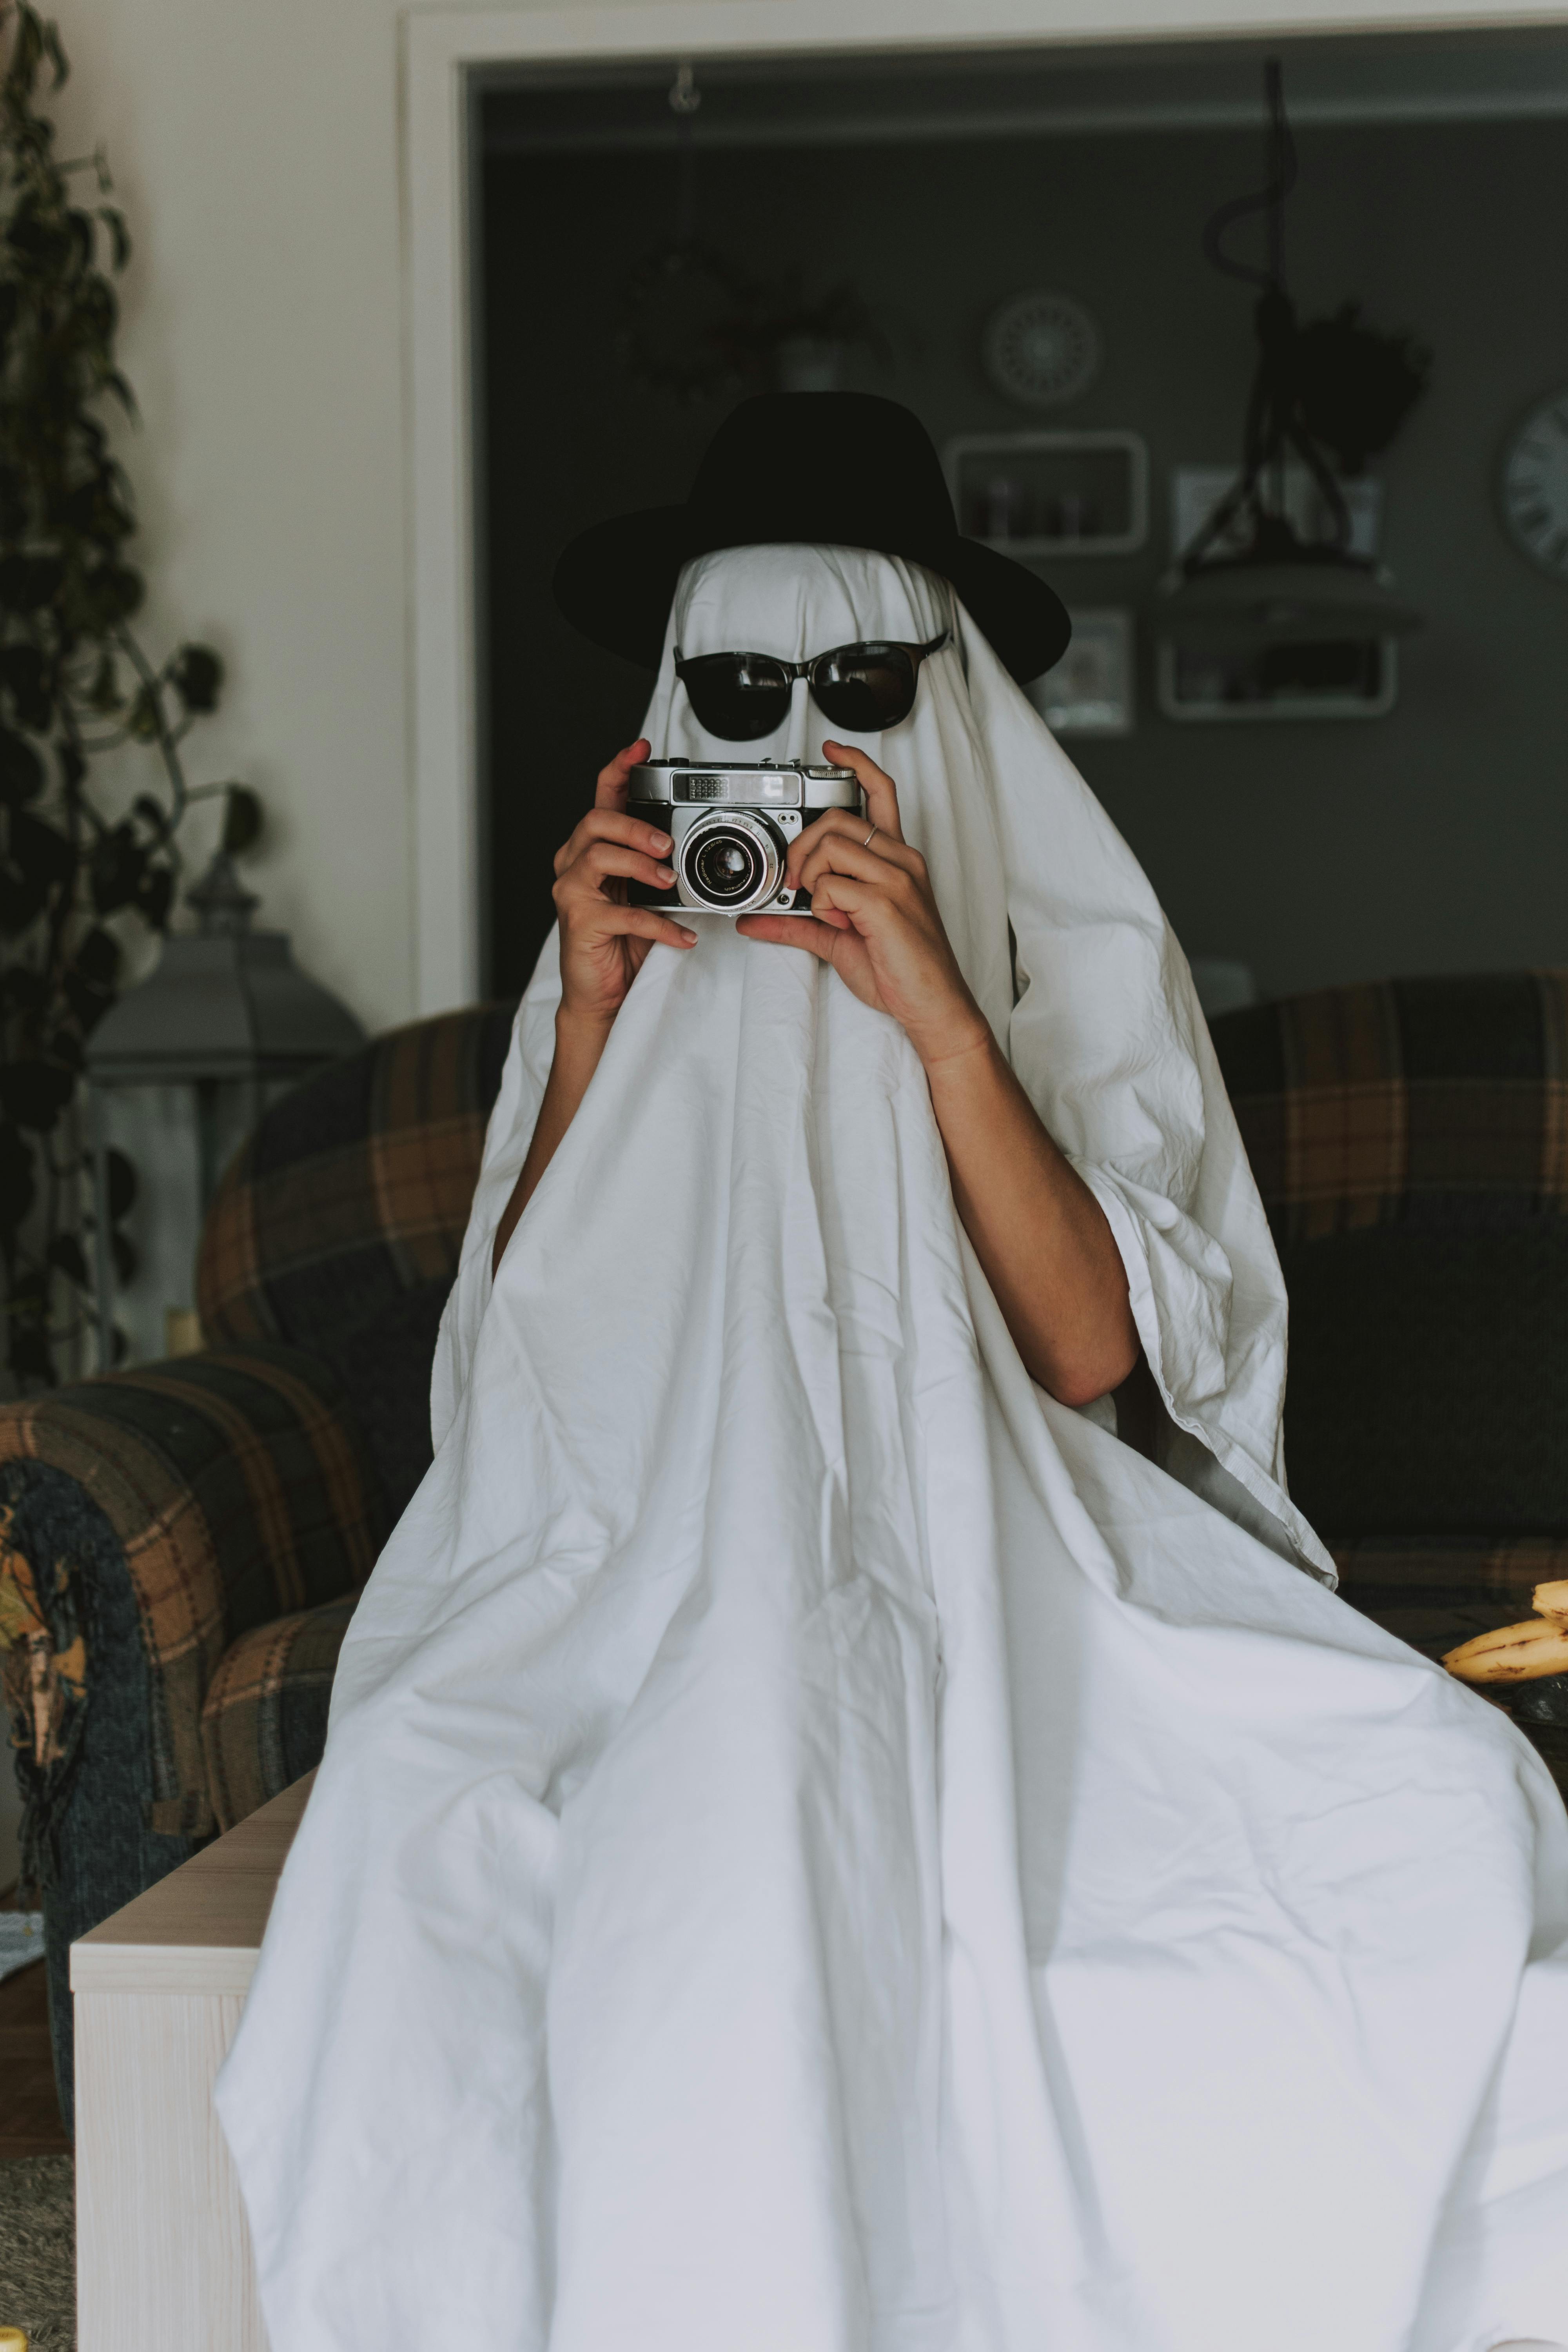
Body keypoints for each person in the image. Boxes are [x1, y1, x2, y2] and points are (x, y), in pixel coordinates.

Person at [217, 396, 1568, 2352]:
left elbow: (1092, 1353)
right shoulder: (613, 972)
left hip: (997, 1519)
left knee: (1426, 1814)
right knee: (504, 1825)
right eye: (739, 685)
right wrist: (593, 1016)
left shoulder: (1058, 958)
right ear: (678, 705)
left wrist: (938, 1016)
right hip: (650, 1533)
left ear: (945, 704)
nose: (795, 734)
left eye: (854, 682)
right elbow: (528, 1367)